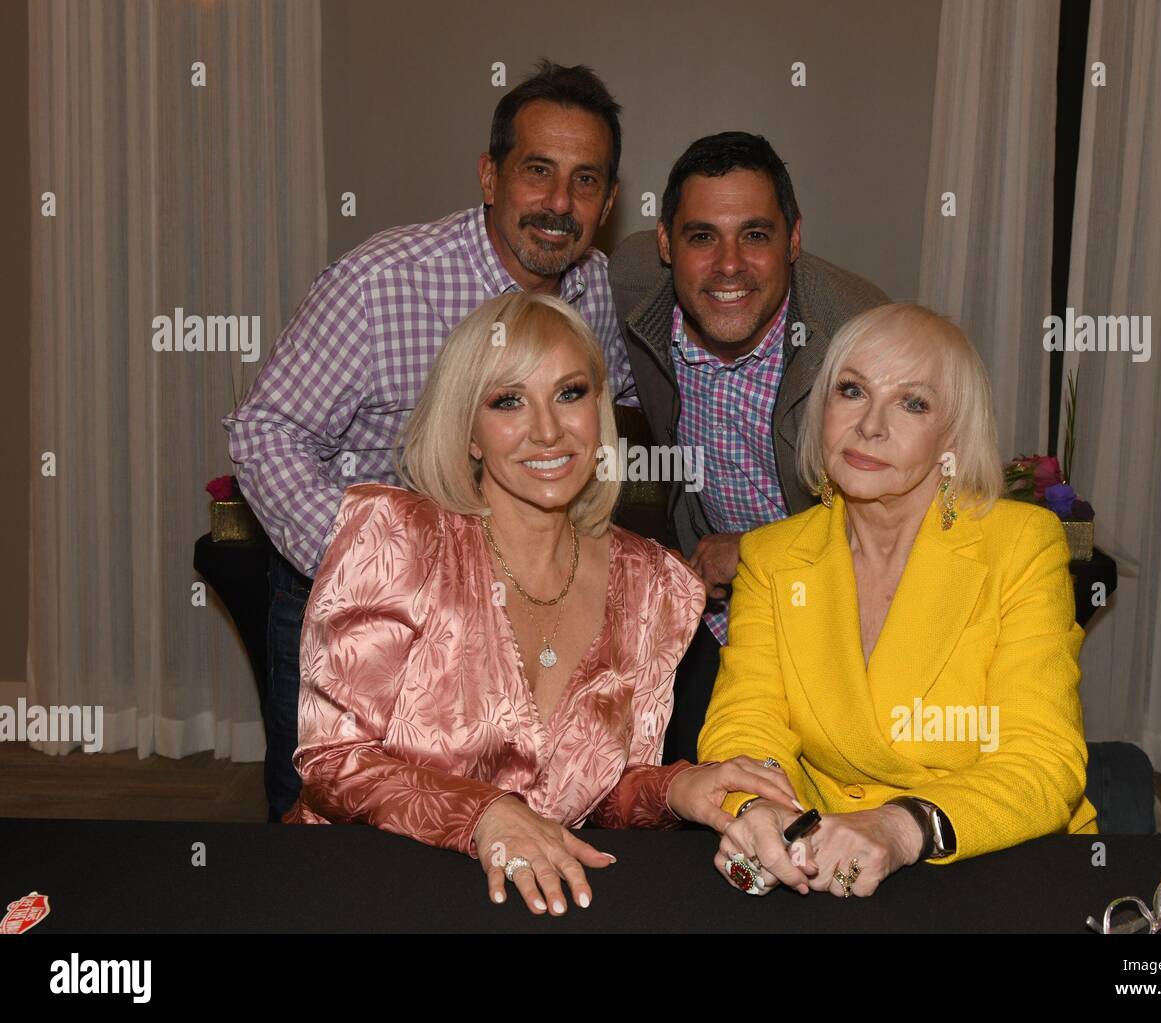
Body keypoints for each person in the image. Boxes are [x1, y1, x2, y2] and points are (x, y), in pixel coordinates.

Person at [284, 291, 800, 915]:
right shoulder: (395, 538)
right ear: (468, 432)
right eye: (508, 401)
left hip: (537, 898)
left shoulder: (654, 585)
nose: (549, 430)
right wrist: (485, 814)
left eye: (570, 393)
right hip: (366, 889)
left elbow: (605, 798)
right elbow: (333, 764)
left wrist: (681, 789)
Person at [222, 60, 639, 821]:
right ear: (490, 176)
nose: (558, 202)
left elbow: (616, 405)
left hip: (514, 607)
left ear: (609, 200)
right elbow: (265, 429)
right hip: (359, 610)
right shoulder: (382, 283)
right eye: (537, 171)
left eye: (586, 181)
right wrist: (373, 568)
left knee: (483, 807)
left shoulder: (595, 288)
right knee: (330, 813)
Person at [697, 302, 1098, 899]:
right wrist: (757, 804)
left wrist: (904, 824)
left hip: (989, 857)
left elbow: (1043, 761)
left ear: (953, 438)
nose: (870, 425)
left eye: (913, 403)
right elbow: (747, 720)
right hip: (825, 866)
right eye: (852, 390)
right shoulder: (773, 556)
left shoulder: (1021, 545)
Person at [608, 132, 889, 763]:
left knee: (839, 792)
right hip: (713, 617)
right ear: (664, 244)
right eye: (702, 236)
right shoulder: (630, 280)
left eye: (756, 235)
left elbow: (910, 511)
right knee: (677, 789)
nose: (728, 264)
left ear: (793, 240)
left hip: (835, 613)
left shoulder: (860, 337)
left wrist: (760, 551)